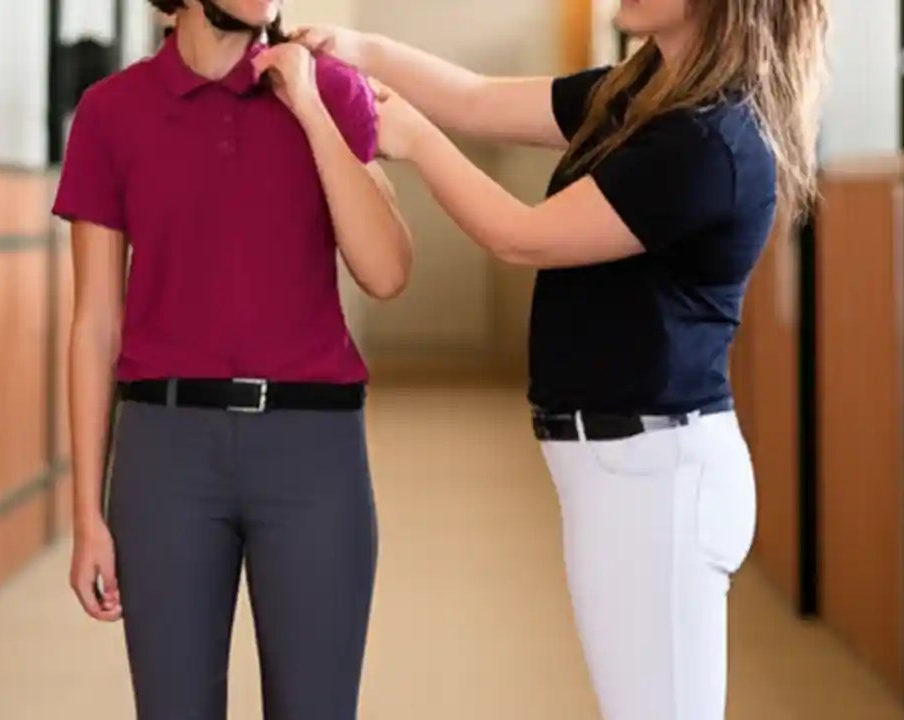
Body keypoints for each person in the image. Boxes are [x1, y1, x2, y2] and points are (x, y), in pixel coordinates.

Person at [294, 1, 827, 717]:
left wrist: (415, 140)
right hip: (616, 468)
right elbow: (475, 99)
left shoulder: (708, 140)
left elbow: (523, 236)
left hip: (656, 473)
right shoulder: (636, 95)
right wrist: (359, 46)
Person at [51, 0, 412, 717]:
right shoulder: (110, 111)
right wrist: (88, 514)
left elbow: (387, 271)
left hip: (315, 451)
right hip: (165, 452)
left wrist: (308, 106)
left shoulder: (330, 90)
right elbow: (94, 324)